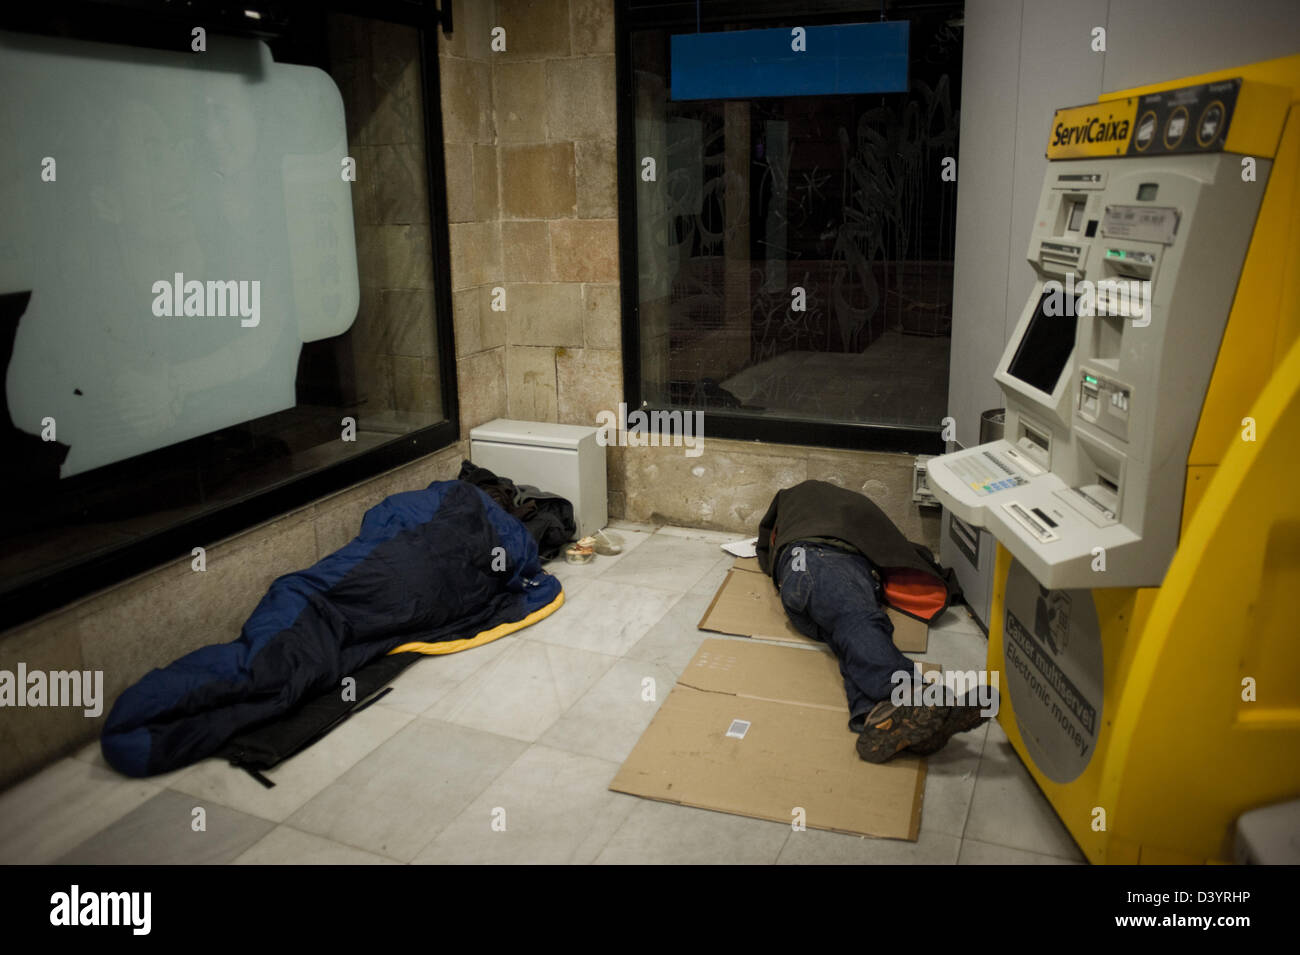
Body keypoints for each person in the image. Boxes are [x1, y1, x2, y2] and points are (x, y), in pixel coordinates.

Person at [757, 480, 995, 762]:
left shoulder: (795, 511)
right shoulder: (839, 514)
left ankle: (878, 717)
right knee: (861, 620)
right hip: (821, 562)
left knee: (848, 635)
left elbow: (764, 544)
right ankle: (907, 691)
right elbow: (895, 547)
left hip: (800, 577)